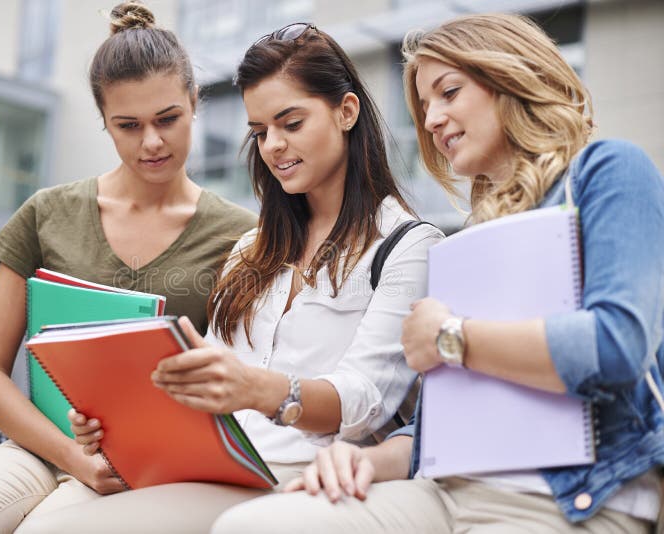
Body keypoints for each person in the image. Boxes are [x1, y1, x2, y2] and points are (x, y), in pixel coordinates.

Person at [210, 13, 664, 534]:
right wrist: (364, 458)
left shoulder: (608, 171)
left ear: (510, 77)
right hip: (445, 490)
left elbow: (617, 345)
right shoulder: (474, 232)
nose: (430, 120)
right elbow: (436, 428)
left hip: (571, 498)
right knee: (248, 527)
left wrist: (452, 338)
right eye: (424, 106)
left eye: (449, 93)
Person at [14, 20, 443, 534]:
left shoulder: (407, 245)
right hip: (213, 464)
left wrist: (259, 390)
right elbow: (209, 385)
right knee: (41, 522)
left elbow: (364, 401)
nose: (273, 145)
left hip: (304, 472)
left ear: (346, 111)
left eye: (291, 123)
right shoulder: (251, 249)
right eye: (260, 132)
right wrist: (116, 411)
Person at [0, 3, 257, 532]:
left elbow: (241, 380)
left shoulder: (241, 235)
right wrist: (71, 456)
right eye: (128, 125)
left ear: (194, 101)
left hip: (156, 461)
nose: (152, 142)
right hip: (41, 446)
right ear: (104, 121)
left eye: (167, 119)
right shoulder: (47, 213)